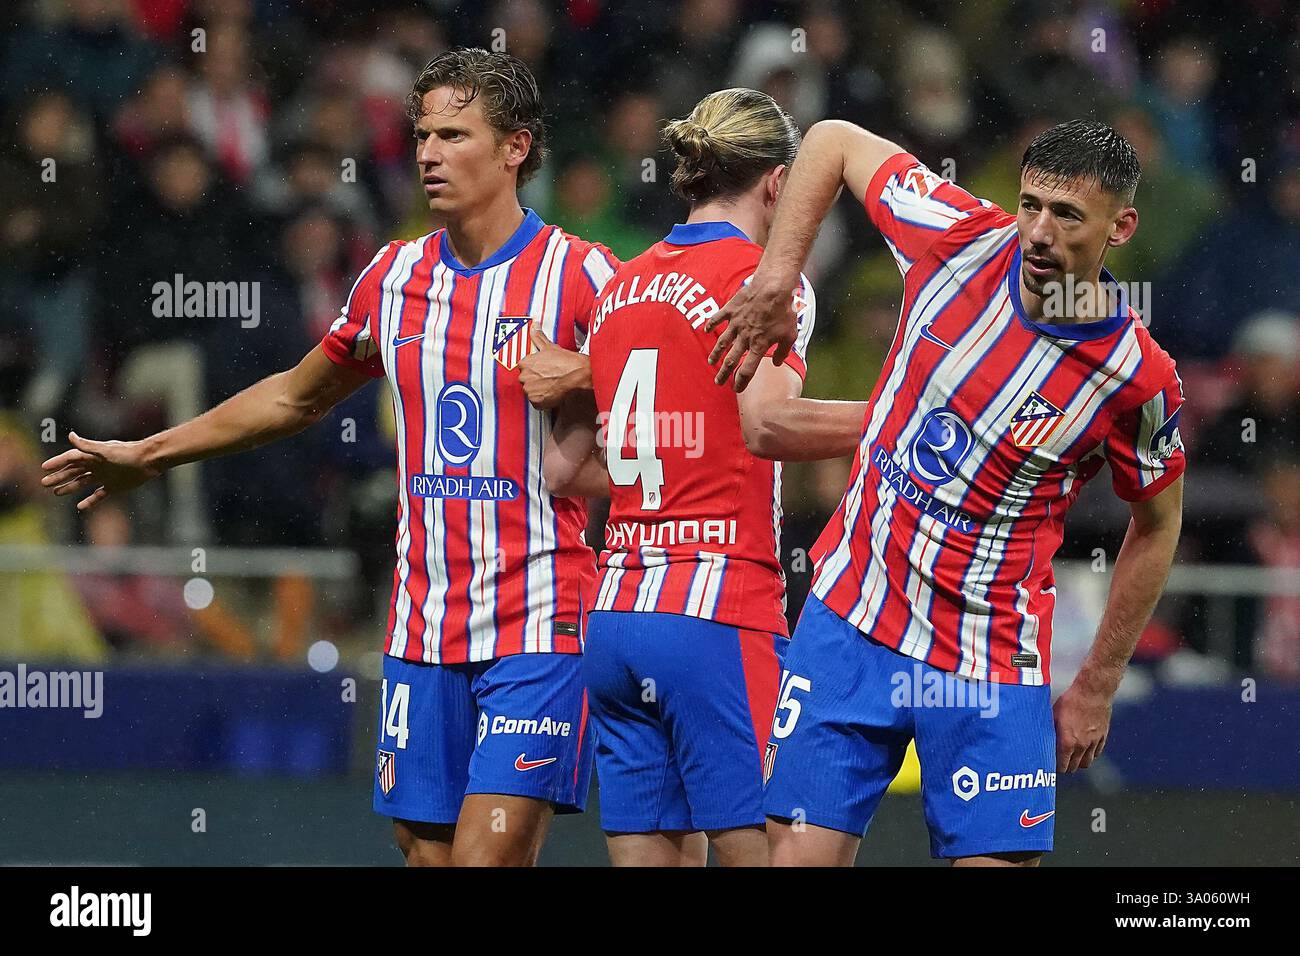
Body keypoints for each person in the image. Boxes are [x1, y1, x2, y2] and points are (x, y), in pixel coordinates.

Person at [39, 48, 618, 867]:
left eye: (454, 134)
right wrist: (150, 453)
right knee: (428, 856)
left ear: (516, 146)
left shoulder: (585, 274)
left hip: (542, 618)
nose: (427, 154)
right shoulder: (393, 276)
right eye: (422, 134)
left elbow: (684, 386)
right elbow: (294, 396)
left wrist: (593, 368)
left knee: (487, 859)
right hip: (423, 622)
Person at [708, 119, 1186, 866]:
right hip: (852, 618)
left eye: (1067, 216)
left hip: (988, 656)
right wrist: (774, 277)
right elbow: (831, 140)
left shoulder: (1137, 377)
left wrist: (1096, 685)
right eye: (1031, 204)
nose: (1038, 231)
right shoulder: (957, 235)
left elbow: (1157, 526)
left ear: (1120, 227)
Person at [524, 88, 866, 866]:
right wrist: (903, 417)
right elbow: (770, 425)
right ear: (779, 183)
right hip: (716, 612)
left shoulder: (619, 286)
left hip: (614, 620)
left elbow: (562, 471)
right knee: (771, 852)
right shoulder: (765, 283)